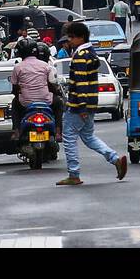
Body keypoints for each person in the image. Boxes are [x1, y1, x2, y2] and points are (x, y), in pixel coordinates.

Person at [57, 21, 127, 186]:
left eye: (72, 38)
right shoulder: (91, 53)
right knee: (88, 137)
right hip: (90, 103)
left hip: (77, 106)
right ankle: (115, 159)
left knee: (69, 138)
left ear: (81, 38)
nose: (69, 41)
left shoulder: (80, 57)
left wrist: (81, 106)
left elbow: (81, 83)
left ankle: (73, 174)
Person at [11, 38, 60, 138]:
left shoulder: (18, 67)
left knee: (15, 104)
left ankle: (16, 131)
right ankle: (58, 131)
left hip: (26, 102)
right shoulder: (45, 65)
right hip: (46, 100)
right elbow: (51, 83)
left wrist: (18, 94)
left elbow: (15, 87)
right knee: (59, 103)